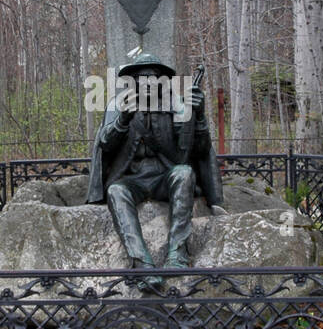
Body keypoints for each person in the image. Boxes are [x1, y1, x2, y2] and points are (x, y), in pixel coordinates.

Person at [86, 54, 223, 285]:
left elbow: (198, 150)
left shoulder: (178, 105)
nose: (148, 83)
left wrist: (198, 117)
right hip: (132, 179)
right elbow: (105, 144)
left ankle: (177, 254)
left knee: (184, 173)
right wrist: (122, 120)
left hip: (164, 176)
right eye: (141, 79)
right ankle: (142, 265)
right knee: (116, 192)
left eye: (154, 78)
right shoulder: (118, 106)